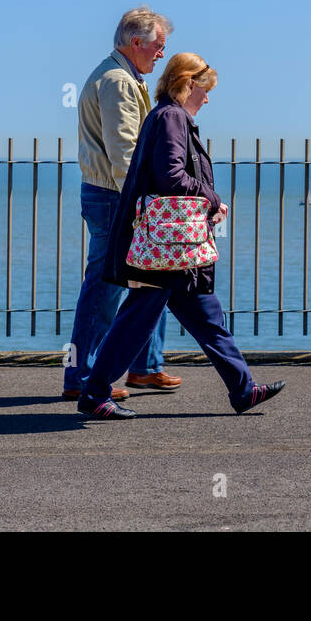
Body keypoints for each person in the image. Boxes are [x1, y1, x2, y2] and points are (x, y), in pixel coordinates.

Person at [77, 52, 286, 419]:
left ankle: (243, 390)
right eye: (204, 89)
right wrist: (212, 200)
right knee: (137, 321)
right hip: (169, 247)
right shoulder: (173, 116)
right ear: (188, 83)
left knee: (206, 315)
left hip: (172, 249)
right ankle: (94, 393)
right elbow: (170, 175)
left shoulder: (166, 116)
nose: (207, 98)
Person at [63, 7, 183, 401]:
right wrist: (142, 203)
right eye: (158, 47)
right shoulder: (117, 82)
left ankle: (144, 367)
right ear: (137, 43)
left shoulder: (119, 76)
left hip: (111, 193)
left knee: (148, 279)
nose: (161, 55)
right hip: (116, 196)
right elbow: (125, 152)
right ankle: (82, 376)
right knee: (106, 286)